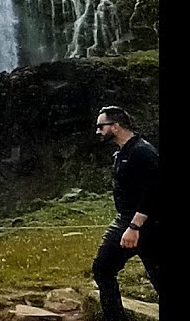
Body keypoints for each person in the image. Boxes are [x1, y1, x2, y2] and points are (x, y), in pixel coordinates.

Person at [91, 106, 160, 320]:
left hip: (144, 223)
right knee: (103, 268)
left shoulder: (142, 151)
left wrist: (134, 227)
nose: (98, 131)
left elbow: (154, 192)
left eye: (101, 126)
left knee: (105, 269)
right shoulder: (123, 152)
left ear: (116, 126)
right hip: (128, 221)